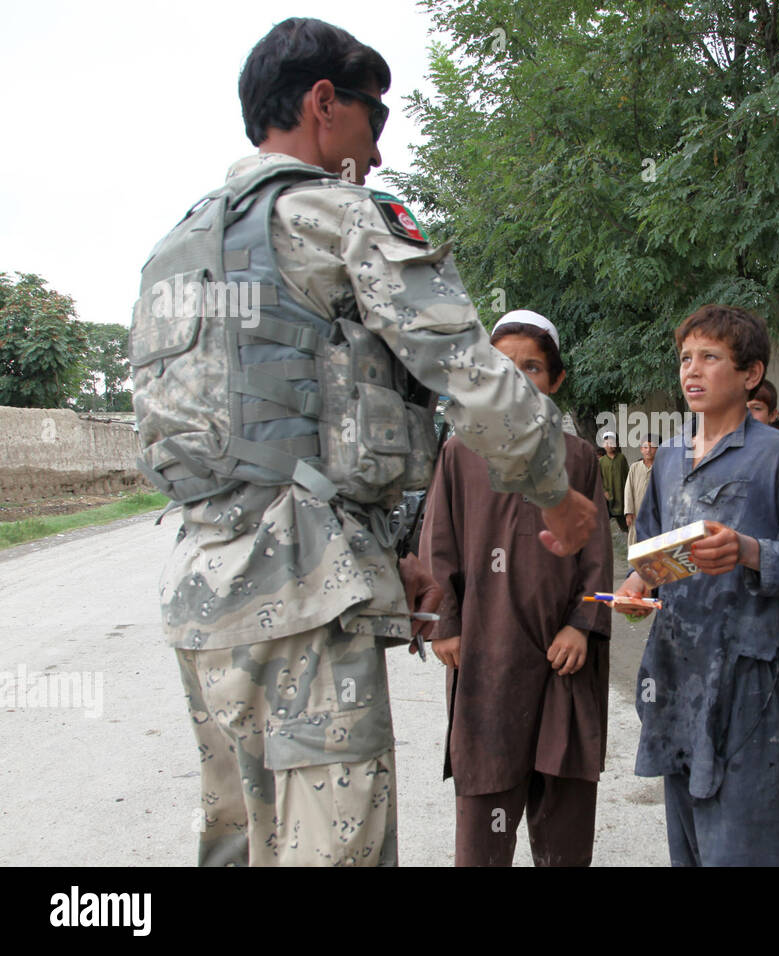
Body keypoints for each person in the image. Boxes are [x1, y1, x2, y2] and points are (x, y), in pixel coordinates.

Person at [131, 18, 595, 867]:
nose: (378, 153)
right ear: (322, 104)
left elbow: (242, 431)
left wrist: (386, 547)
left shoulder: (173, 250)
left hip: (203, 604)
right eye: (373, 121)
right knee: (336, 854)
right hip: (305, 598)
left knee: (238, 846)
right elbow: (473, 373)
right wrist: (555, 497)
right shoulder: (335, 213)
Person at [616, 304, 779, 866]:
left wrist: (749, 550)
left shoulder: (778, 456)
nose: (692, 370)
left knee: (740, 846)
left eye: (710, 357)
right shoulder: (667, 457)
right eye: (686, 357)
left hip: (747, 681)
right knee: (686, 845)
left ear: (750, 374)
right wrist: (638, 585)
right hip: (676, 675)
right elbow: (656, 554)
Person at [418, 311, 612, 866]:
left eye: (532, 367)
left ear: (556, 379)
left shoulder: (579, 459)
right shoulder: (460, 453)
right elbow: (440, 549)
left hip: (563, 664)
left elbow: (597, 558)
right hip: (488, 658)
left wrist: (581, 624)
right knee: (485, 814)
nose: (518, 378)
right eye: (503, 367)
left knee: (565, 819)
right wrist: (446, 627)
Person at [623, 434, 658, 547]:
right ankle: (635, 564)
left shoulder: (661, 467)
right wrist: (629, 511)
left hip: (655, 513)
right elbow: (628, 490)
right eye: (645, 447)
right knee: (635, 541)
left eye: (652, 447)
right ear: (641, 449)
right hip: (636, 512)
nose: (648, 450)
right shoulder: (635, 467)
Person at [598, 431, 630, 532]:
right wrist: (604, 491)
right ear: (603, 445)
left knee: (628, 514)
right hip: (611, 496)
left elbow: (628, 474)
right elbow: (599, 478)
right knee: (619, 518)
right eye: (607, 443)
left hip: (623, 492)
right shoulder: (601, 462)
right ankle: (626, 533)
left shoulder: (621, 458)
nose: (610, 445)